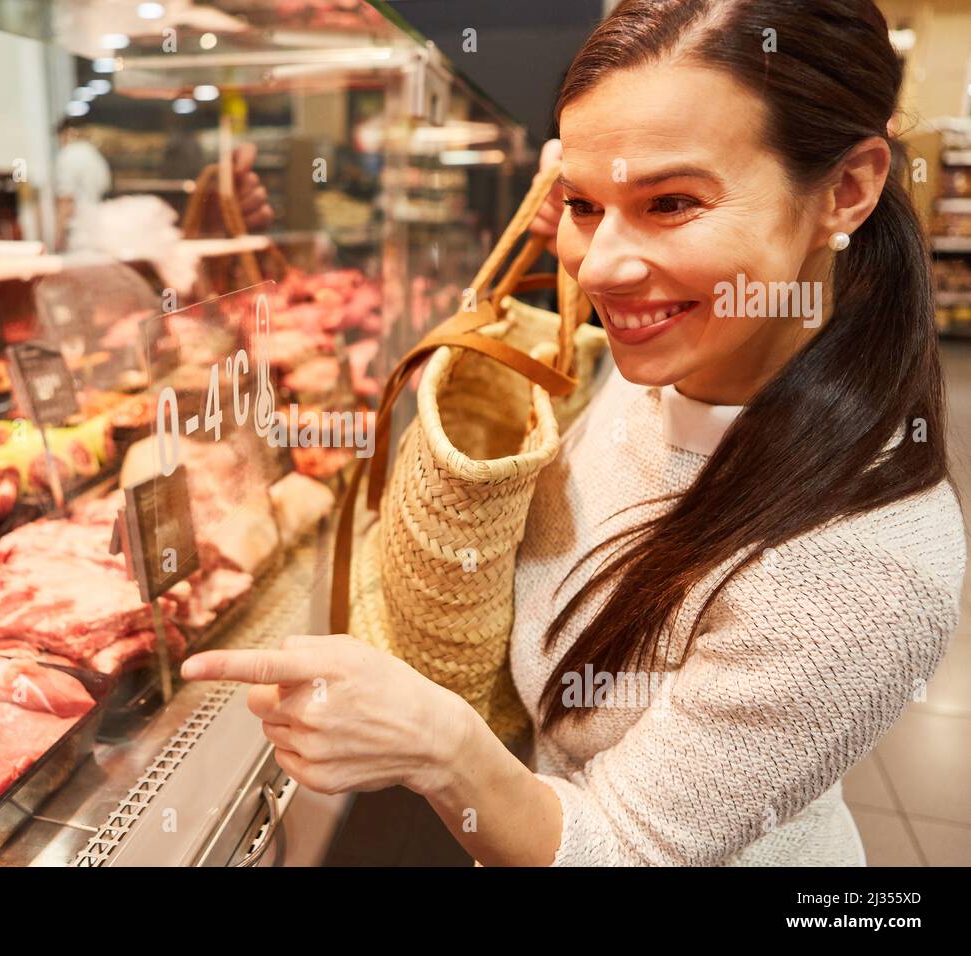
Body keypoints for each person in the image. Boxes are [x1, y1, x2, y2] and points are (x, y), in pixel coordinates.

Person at [180, 0, 967, 866]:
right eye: (586, 206)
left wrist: (444, 747)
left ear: (846, 191)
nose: (598, 268)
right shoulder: (684, 357)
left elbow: (624, 850)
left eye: (672, 200)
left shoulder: (862, 568)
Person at [54, 115, 112, 253]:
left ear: (67, 133)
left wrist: (57, 238)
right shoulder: (95, 155)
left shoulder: (68, 155)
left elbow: (66, 200)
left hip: (77, 231)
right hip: (99, 229)